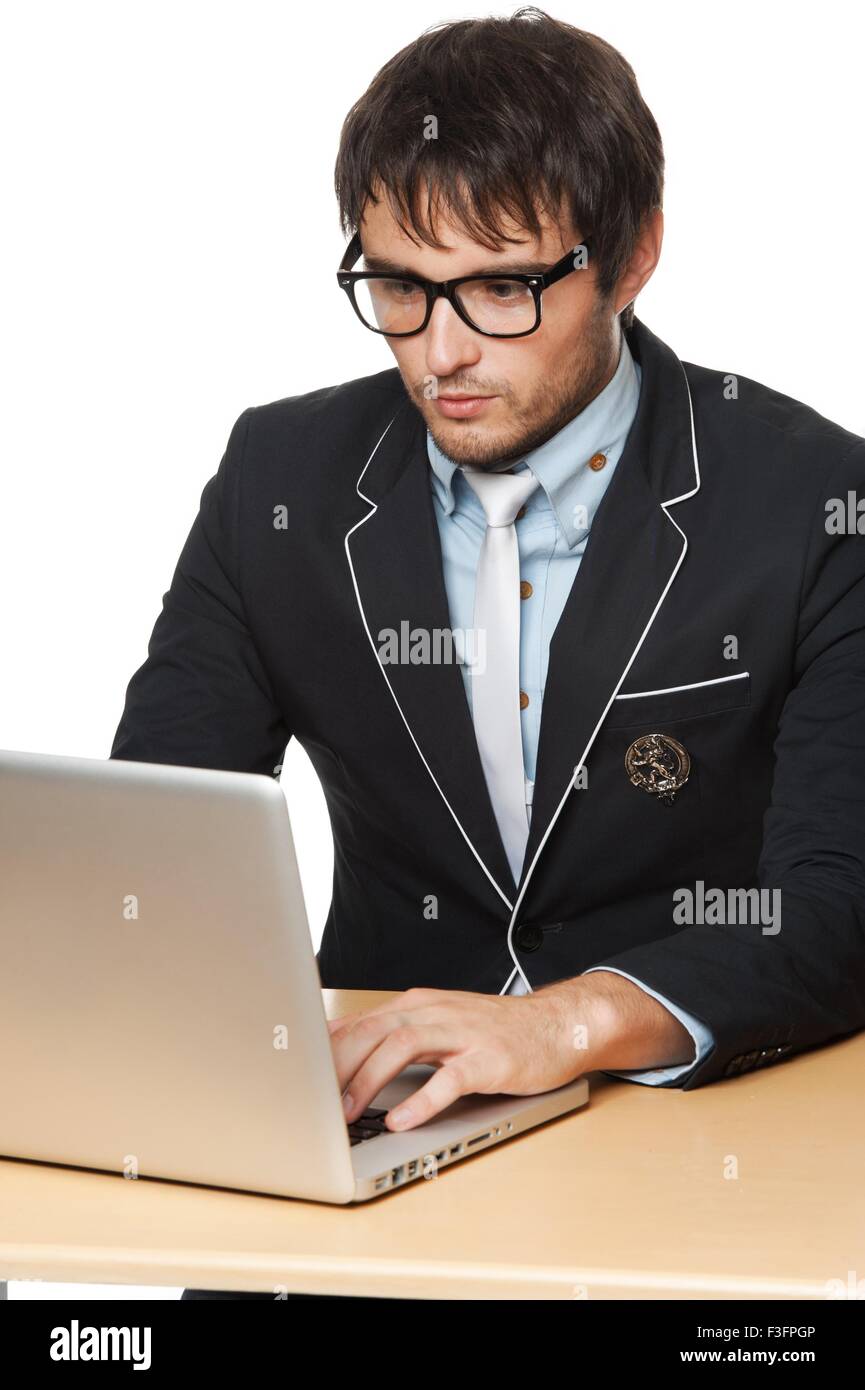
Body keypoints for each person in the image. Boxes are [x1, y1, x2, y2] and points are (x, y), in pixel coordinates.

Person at [110, 8, 865, 1300]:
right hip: (365, 1154)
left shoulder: (810, 503)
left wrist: (560, 1021)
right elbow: (151, 847)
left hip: (690, 1157)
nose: (442, 349)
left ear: (629, 259)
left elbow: (837, 905)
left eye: (502, 287)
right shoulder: (276, 481)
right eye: (399, 284)